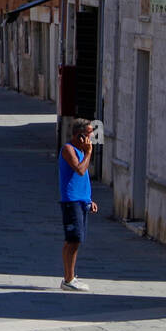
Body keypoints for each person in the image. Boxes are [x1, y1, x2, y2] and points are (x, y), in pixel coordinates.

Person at [59, 120, 100, 291]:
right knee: (73, 240)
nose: (92, 137)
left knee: (75, 240)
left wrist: (89, 200)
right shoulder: (68, 149)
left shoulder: (81, 151)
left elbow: (82, 180)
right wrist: (89, 152)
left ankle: (70, 276)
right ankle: (68, 279)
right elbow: (81, 170)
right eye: (89, 133)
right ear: (80, 135)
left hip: (81, 201)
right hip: (71, 201)